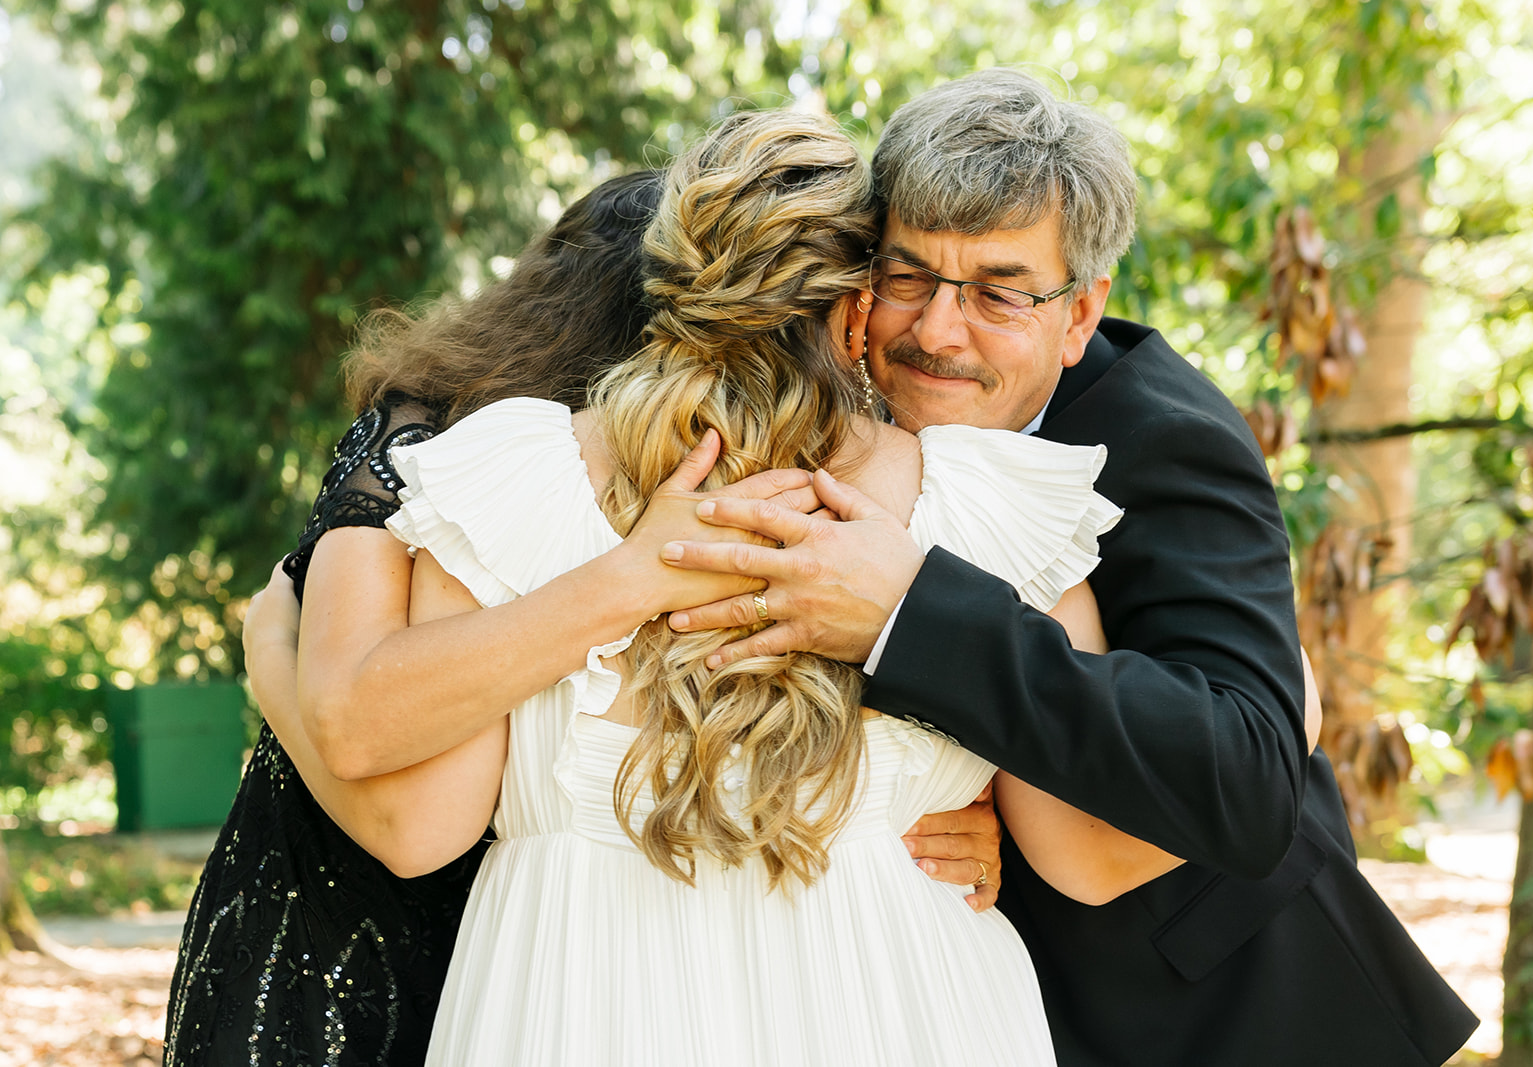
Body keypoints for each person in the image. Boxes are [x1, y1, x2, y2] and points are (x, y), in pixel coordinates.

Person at [287, 107, 1171, 1066]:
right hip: (906, 1011)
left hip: (581, 1010)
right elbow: (1089, 851)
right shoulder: (986, 503)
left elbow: (423, 823)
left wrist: (273, 650)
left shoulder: (516, 476)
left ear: (666, 279)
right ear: (857, 309)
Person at [660, 69, 1479, 1066]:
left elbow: (1247, 776)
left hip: (1229, 1016)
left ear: (1081, 312)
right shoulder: (831, 401)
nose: (936, 330)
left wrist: (910, 613)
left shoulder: (1166, 441)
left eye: (999, 292)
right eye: (909, 276)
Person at [170, 171, 1003, 1065]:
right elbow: (395, 793)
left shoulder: (709, 464)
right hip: (336, 961)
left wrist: (958, 807)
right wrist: (275, 656)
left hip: (535, 967)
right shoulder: (440, 447)